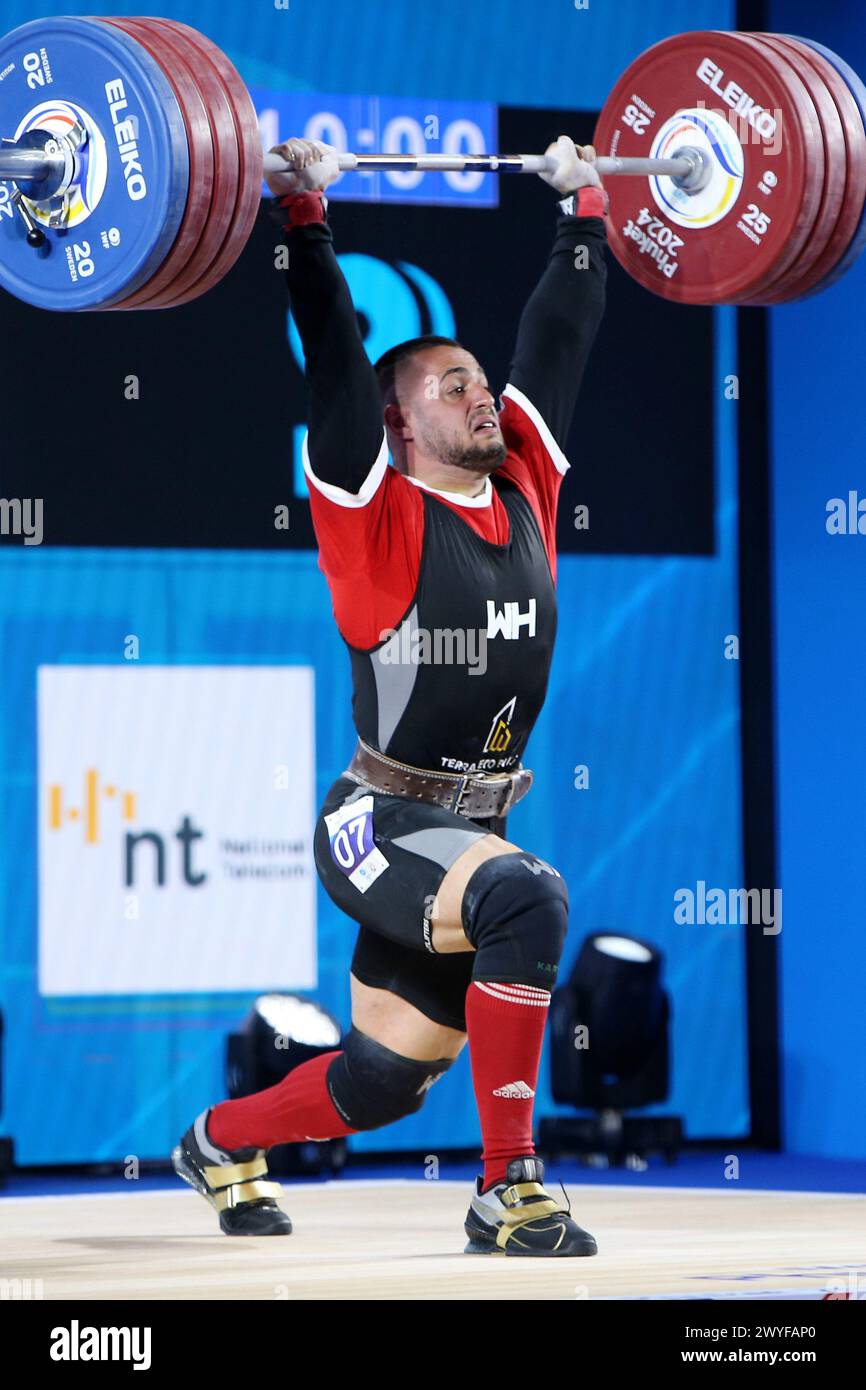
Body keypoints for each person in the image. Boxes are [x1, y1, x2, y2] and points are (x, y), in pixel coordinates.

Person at [173, 132, 608, 1256]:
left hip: (468, 826)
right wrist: (305, 219)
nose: (481, 395)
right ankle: (507, 1187)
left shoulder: (524, 485)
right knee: (531, 901)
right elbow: (328, 354)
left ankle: (217, 1143)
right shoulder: (371, 512)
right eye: (450, 384)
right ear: (397, 421)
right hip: (373, 823)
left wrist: (581, 214)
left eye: (479, 378)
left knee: (382, 1083)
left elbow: (555, 341)